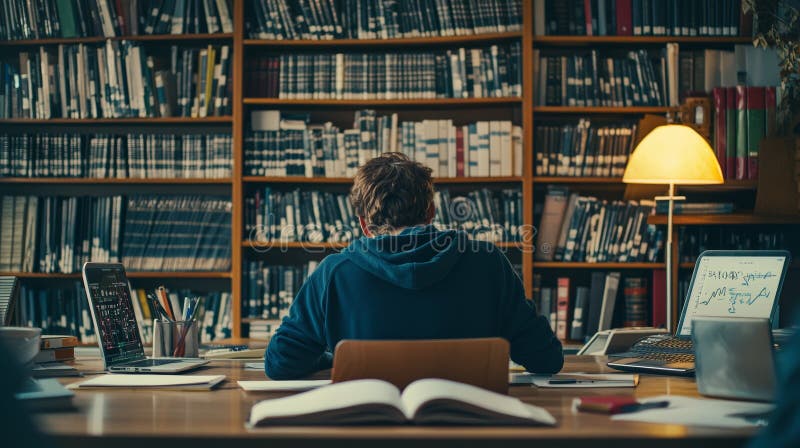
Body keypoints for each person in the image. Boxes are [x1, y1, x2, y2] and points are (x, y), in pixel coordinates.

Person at [264, 152, 563, 379]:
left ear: (364, 225)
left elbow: (280, 364)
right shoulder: (488, 263)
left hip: (364, 427)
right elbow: (547, 360)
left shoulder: (333, 273)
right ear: (431, 210)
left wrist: (337, 358)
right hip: (471, 428)